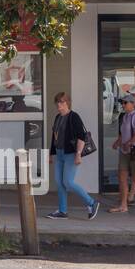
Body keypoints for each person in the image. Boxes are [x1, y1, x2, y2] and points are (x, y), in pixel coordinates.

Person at [45, 91, 99, 220]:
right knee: (59, 182)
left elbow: (81, 137)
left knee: (68, 182)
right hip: (59, 153)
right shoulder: (58, 117)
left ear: (67, 103)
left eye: (62, 102)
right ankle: (62, 211)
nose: (59, 104)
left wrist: (78, 154)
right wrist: (50, 154)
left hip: (71, 154)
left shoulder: (74, 116)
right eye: (57, 102)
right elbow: (55, 137)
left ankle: (92, 202)